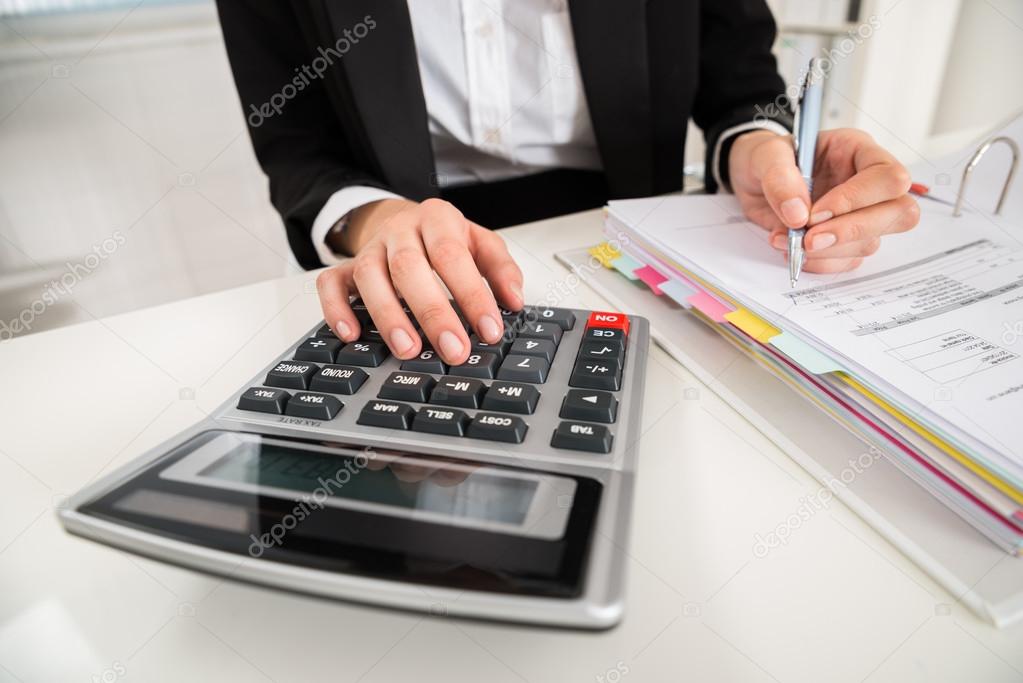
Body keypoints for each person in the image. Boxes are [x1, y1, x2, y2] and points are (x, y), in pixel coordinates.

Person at [217, 0, 920, 367]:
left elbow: (742, 83)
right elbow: (293, 141)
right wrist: (373, 221)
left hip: (619, 222)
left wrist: (762, 146)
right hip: (401, 227)